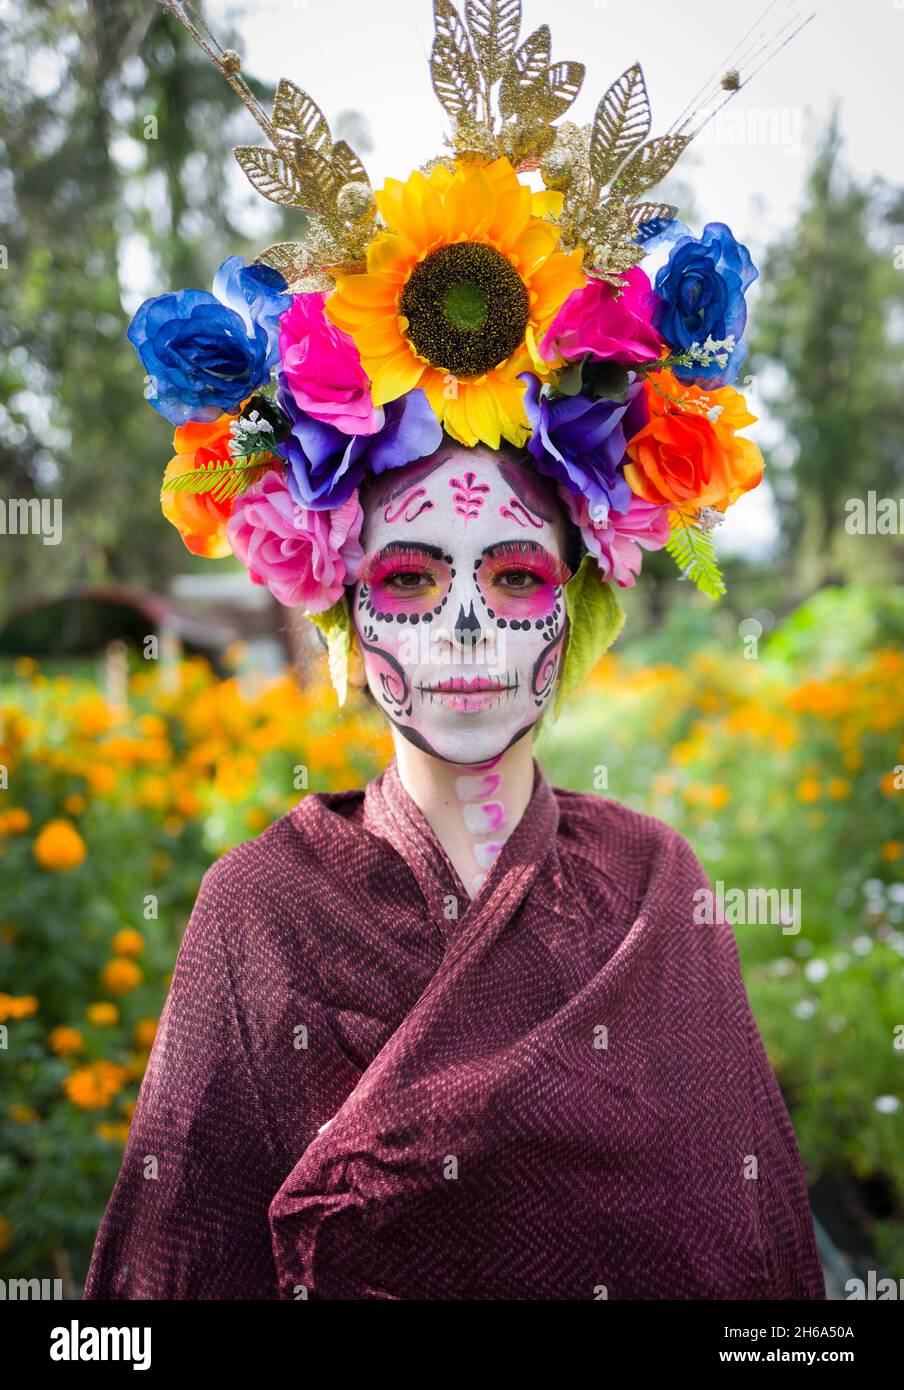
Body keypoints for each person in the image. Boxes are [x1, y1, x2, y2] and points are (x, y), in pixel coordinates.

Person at [84, 0, 825, 1300]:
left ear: (576, 602)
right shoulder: (253, 915)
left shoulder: (661, 887)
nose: (470, 622)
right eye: (413, 575)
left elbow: (758, 1279)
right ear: (344, 602)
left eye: (516, 573)